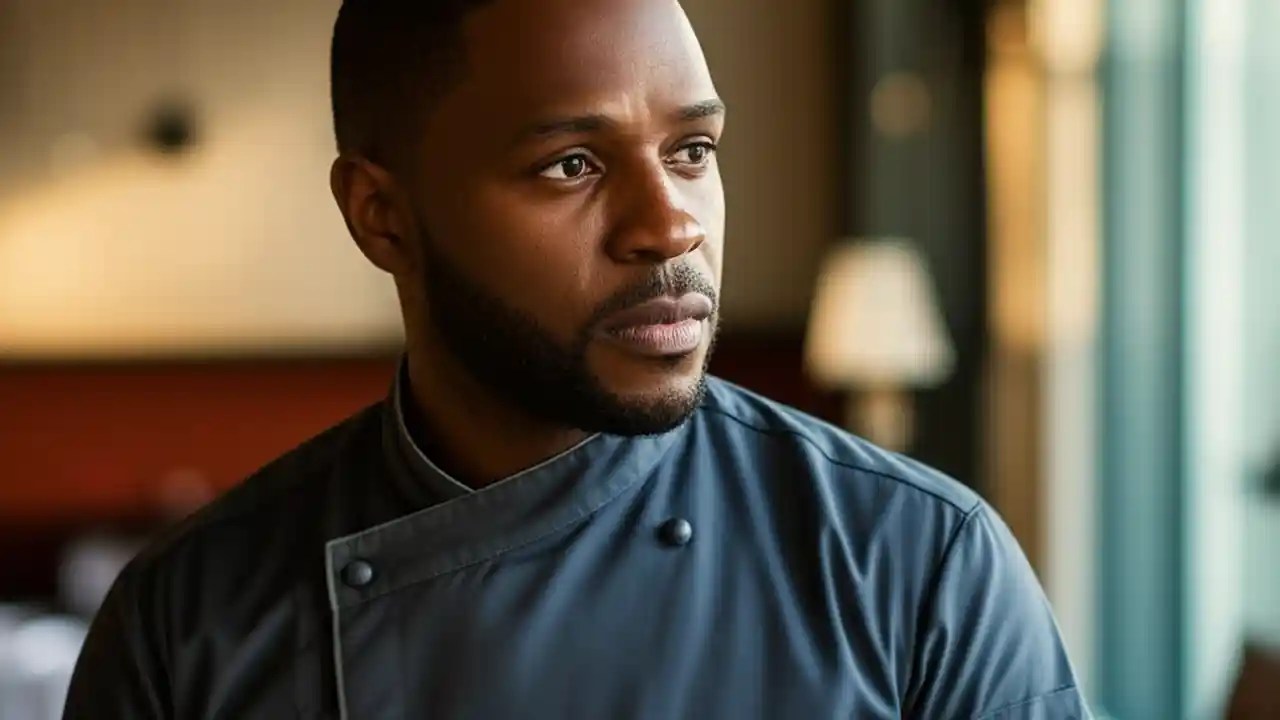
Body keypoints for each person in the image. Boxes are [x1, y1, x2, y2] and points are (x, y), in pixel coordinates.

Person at [64, 0, 1090, 717]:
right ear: (382, 217)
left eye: (691, 151)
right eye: (571, 164)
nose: (671, 225)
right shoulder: (186, 621)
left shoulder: (916, 565)